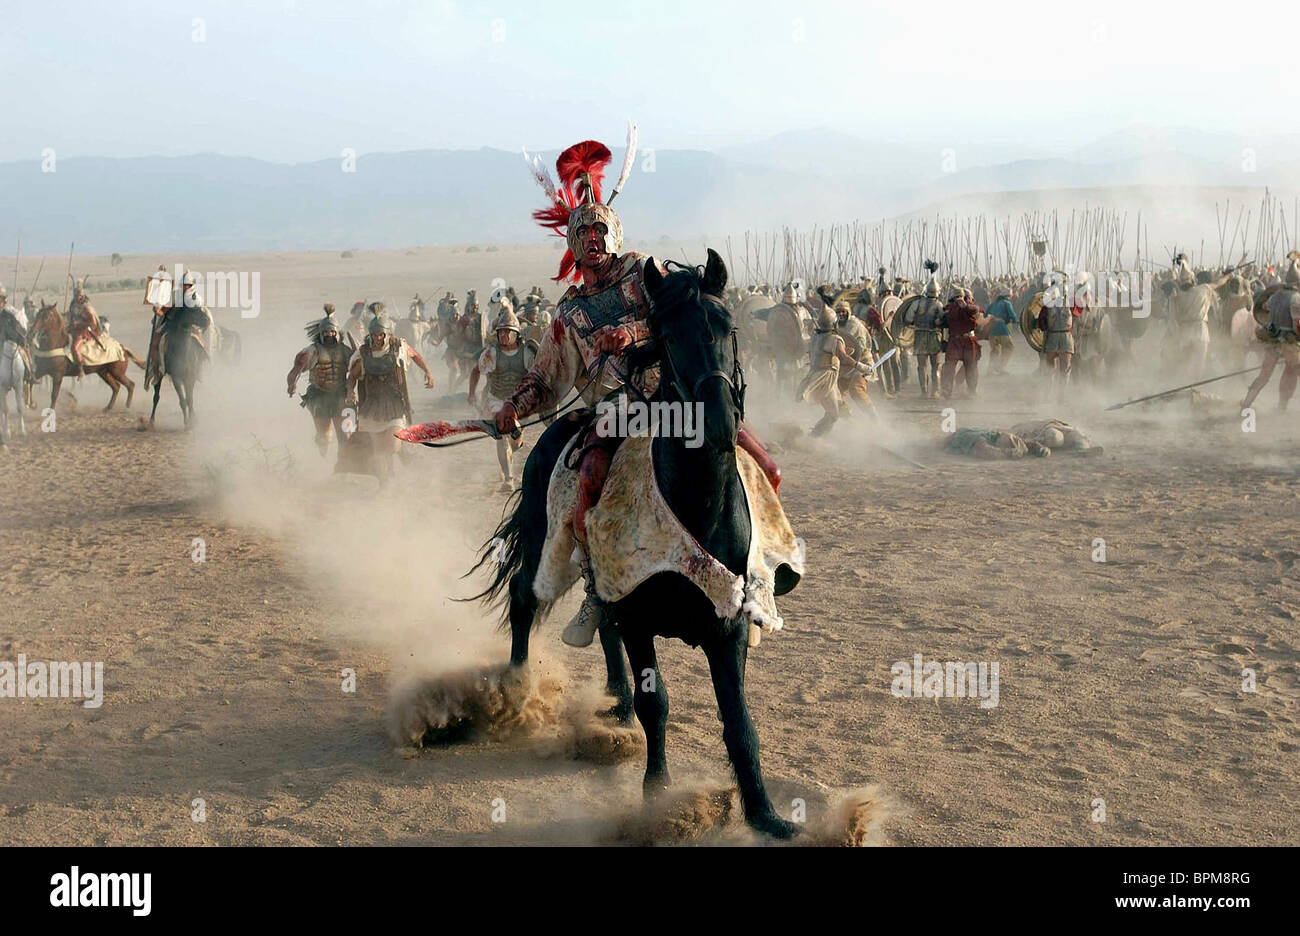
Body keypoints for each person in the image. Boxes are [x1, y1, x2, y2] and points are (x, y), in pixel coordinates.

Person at [493, 138, 779, 648]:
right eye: (583, 235)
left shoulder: (646, 274)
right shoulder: (568, 313)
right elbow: (545, 375)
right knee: (591, 477)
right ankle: (598, 590)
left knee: (764, 466)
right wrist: (514, 406)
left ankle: (756, 575)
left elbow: (684, 316)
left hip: (677, 396)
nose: (593, 241)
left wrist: (634, 335)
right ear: (573, 245)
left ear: (614, 233)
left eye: (599, 231)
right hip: (617, 410)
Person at [345, 314, 435, 484]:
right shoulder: (363, 354)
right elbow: (353, 376)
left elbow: (415, 355)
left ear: (387, 334)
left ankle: (402, 452)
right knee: (378, 450)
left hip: (394, 404)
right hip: (372, 406)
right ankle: (384, 482)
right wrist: (350, 392)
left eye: (380, 334)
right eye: (374, 334)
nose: (377, 338)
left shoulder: (399, 347)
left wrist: (428, 373)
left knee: (392, 444)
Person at [469, 305, 534, 491]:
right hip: (496, 399)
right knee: (502, 435)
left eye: (507, 332)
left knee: (516, 441)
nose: (503, 335)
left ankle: (506, 459)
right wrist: (471, 393)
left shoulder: (527, 354)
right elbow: (476, 371)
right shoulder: (491, 354)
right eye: (501, 332)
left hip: (520, 403)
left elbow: (538, 376)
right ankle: (508, 478)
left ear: (515, 334)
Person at [286, 305, 352, 456]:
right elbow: (296, 370)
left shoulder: (346, 351)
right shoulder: (311, 351)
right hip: (320, 396)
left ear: (336, 332)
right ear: (321, 333)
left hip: (341, 395)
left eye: (331, 331)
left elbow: (357, 370)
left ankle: (343, 463)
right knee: (324, 435)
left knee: (345, 435)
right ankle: (322, 459)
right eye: (326, 332)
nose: (329, 334)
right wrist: (292, 384)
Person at [1241, 254, 1300, 411]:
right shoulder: (1296, 298)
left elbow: (1265, 312)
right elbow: (1296, 325)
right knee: (1291, 372)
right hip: (1289, 343)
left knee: (1263, 376)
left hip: (1273, 341)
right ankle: (1282, 407)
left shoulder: (1275, 296)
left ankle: (1246, 403)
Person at [940, 284, 986, 398]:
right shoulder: (950, 308)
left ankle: (971, 391)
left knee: (971, 367)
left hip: (966, 341)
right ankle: (947, 390)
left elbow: (977, 312)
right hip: (957, 341)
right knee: (950, 367)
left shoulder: (970, 308)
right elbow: (942, 322)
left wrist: (965, 306)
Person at [986, 285, 1017, 374]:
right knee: (1009, 347)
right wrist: (1014, 321)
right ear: (1007, 296)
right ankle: (999, 367)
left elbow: (986, 315)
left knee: (995, 350)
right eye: (1010, 296)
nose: (1010, 298)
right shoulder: (1006, 303)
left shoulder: (992, 304)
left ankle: (990, 369)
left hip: (992, 330)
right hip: (1002, 329)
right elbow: (1013, 316)